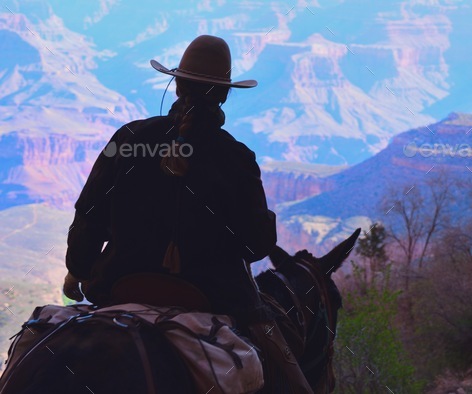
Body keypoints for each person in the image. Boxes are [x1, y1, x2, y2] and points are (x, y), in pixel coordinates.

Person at [63, 35, 312, 393]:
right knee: (287, 374)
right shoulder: (237, 159)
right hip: (217, 296)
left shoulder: (129, 138)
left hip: (118, 285)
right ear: (224, 94)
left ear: (176, 84)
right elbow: (257, 245)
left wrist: (79, 269)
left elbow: (89, 214)